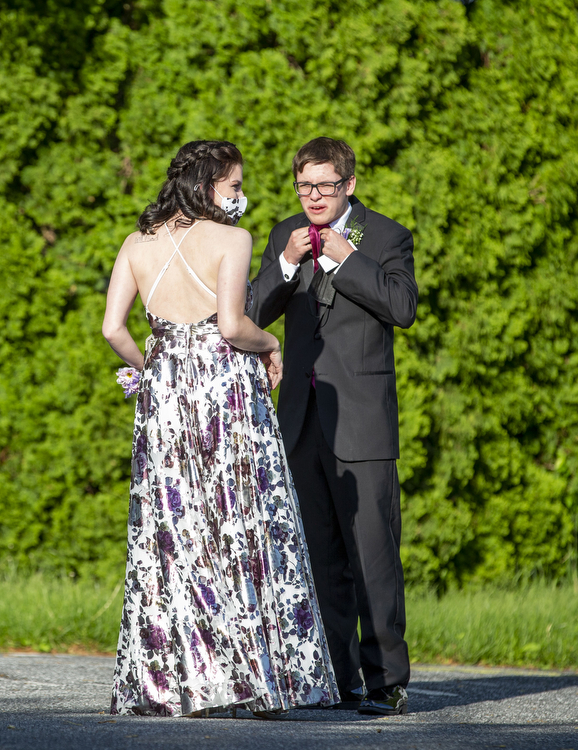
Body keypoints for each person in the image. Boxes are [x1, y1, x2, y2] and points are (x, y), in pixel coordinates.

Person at [102, 140, 338, 718]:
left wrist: (151, 370)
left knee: (175, 533)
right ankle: (254, 679)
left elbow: (113, 329)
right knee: (239, 523)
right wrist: (273, 342)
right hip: (223, 393)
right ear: (209, 185)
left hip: (166, 398)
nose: (241, 197)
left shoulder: (137, 243)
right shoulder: (232, 239)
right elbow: (233, 325)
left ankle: (181, 681)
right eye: (234, 187)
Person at [247, 137, 417, 716]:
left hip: (364, 420)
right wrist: (288, 263)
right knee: (319, 556)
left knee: (372, 554)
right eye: (304, 186)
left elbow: (402, 308)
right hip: (302, 415)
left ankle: (387, 680)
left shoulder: (388, 236)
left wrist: (346, 258)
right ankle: (338, 679)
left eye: (323, 186)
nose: (313, 196)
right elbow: (248, 313)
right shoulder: (283, 234)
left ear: (348, 185)